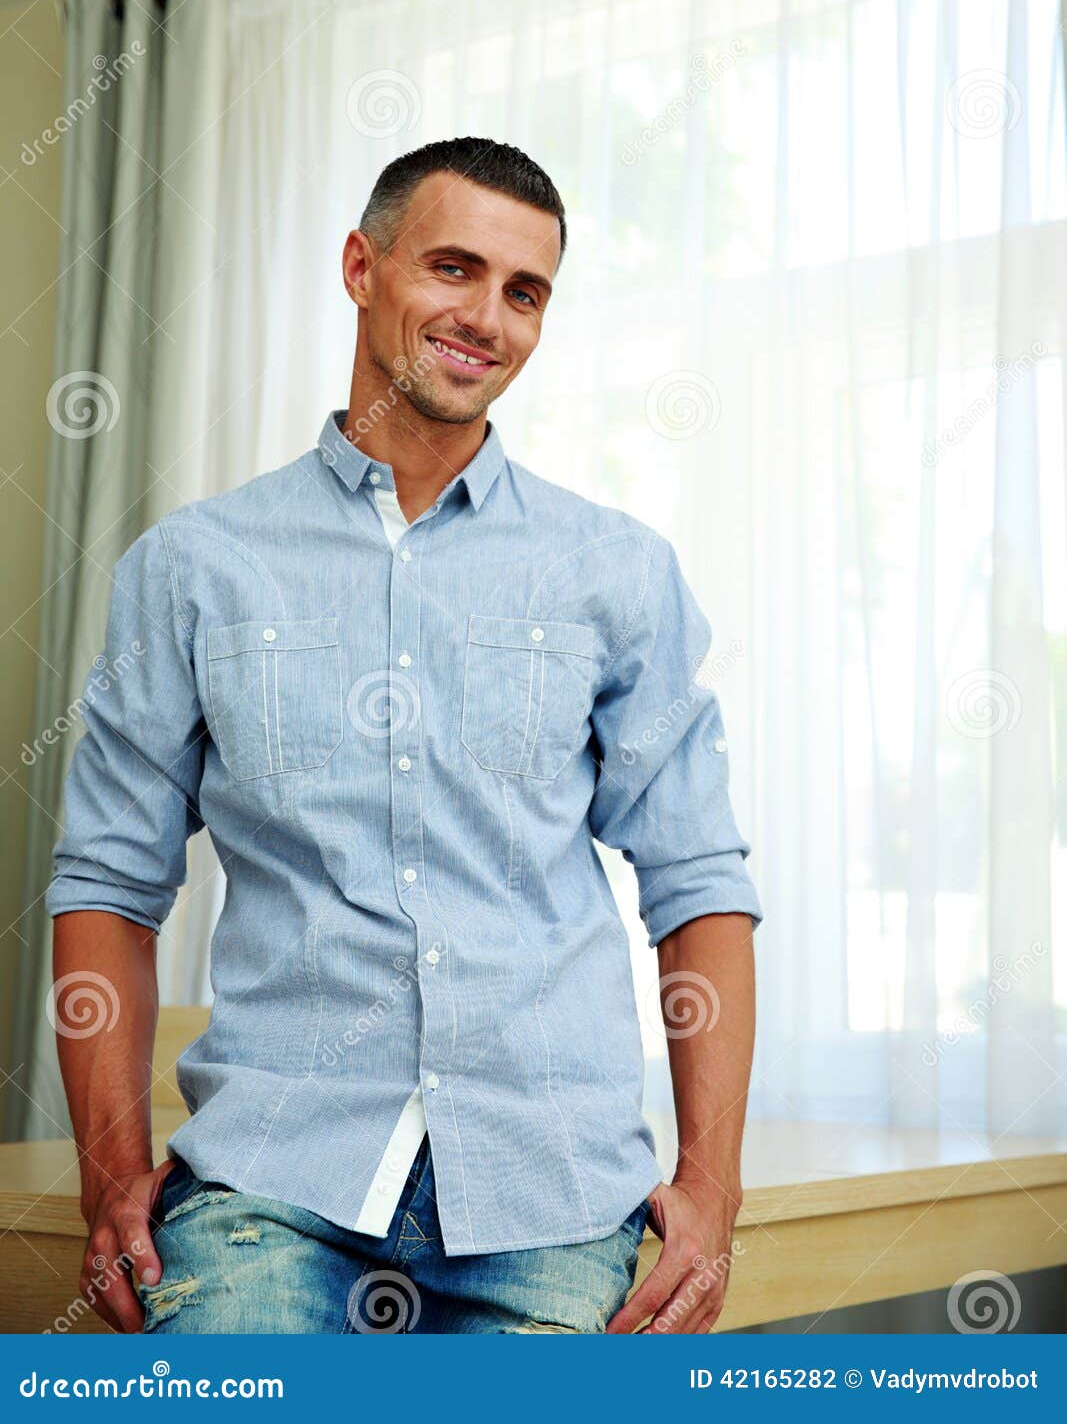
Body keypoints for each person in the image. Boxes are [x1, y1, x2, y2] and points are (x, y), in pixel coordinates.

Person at [47, 135, 763, 1335]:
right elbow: (109, 887)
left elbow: (697, 886)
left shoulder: (614, 570)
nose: (485, 316)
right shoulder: (192, 567)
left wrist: (711, 1186)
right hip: (270, 1185)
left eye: (523, 291)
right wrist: (111, 1175)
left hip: (552, 1192)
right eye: (452, 267)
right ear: (360, 267)